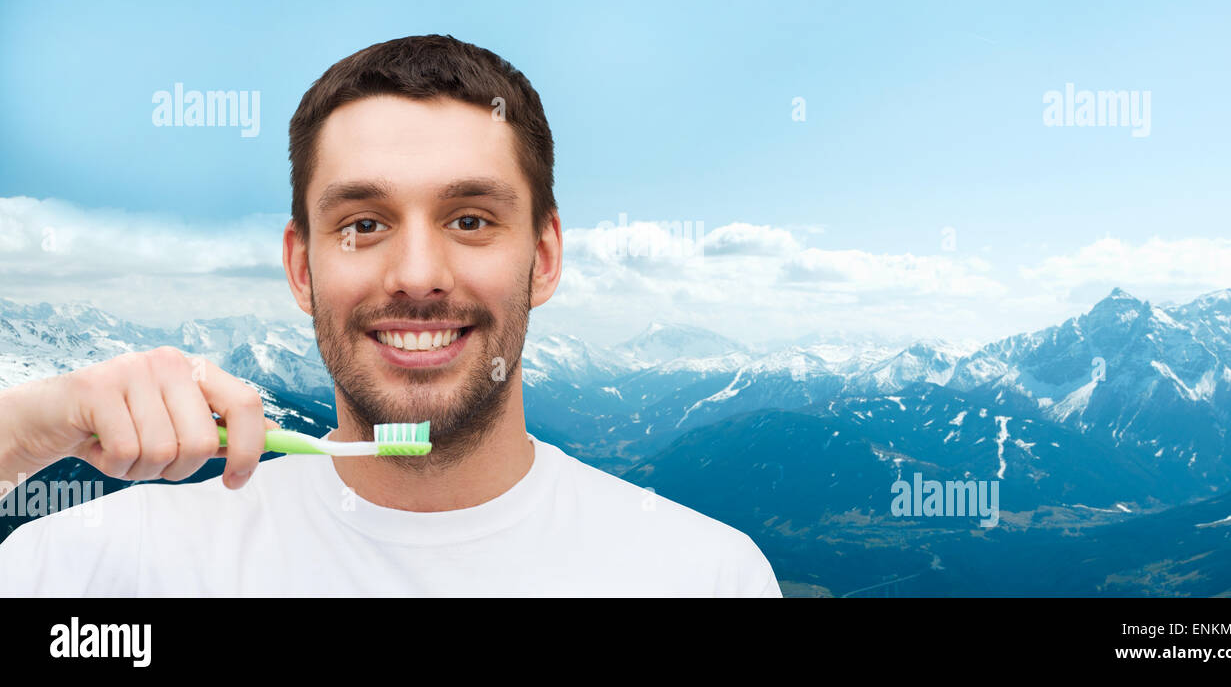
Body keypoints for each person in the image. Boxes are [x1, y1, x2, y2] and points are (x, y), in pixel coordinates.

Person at [0, 35, 782, 597]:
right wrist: (18, 436)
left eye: (470, 219)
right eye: (364, 224)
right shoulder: (103, 566)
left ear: (543, 258)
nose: (417, 276)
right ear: (302, 268)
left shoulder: (707, 577)